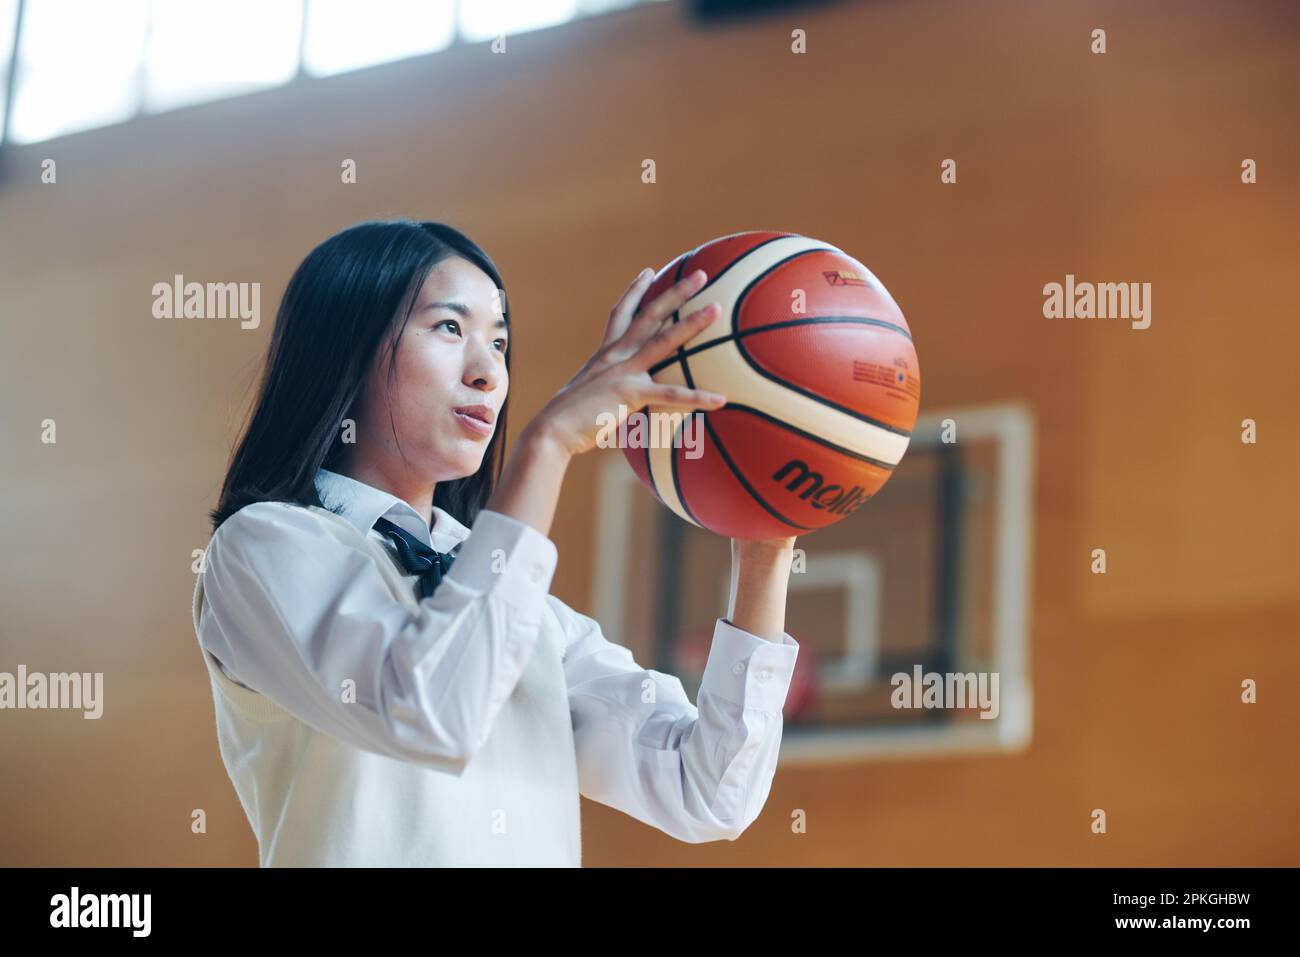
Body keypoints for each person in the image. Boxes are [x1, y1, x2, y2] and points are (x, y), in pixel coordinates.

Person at [192, 218, 800, 866]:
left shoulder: (527, 611)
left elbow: (704, 790)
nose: (488, 370)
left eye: (500, 341)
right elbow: (429, 711)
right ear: (349, 343)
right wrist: (549, 442)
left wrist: (764, 551)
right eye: (450, 327)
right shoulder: (262, 547)